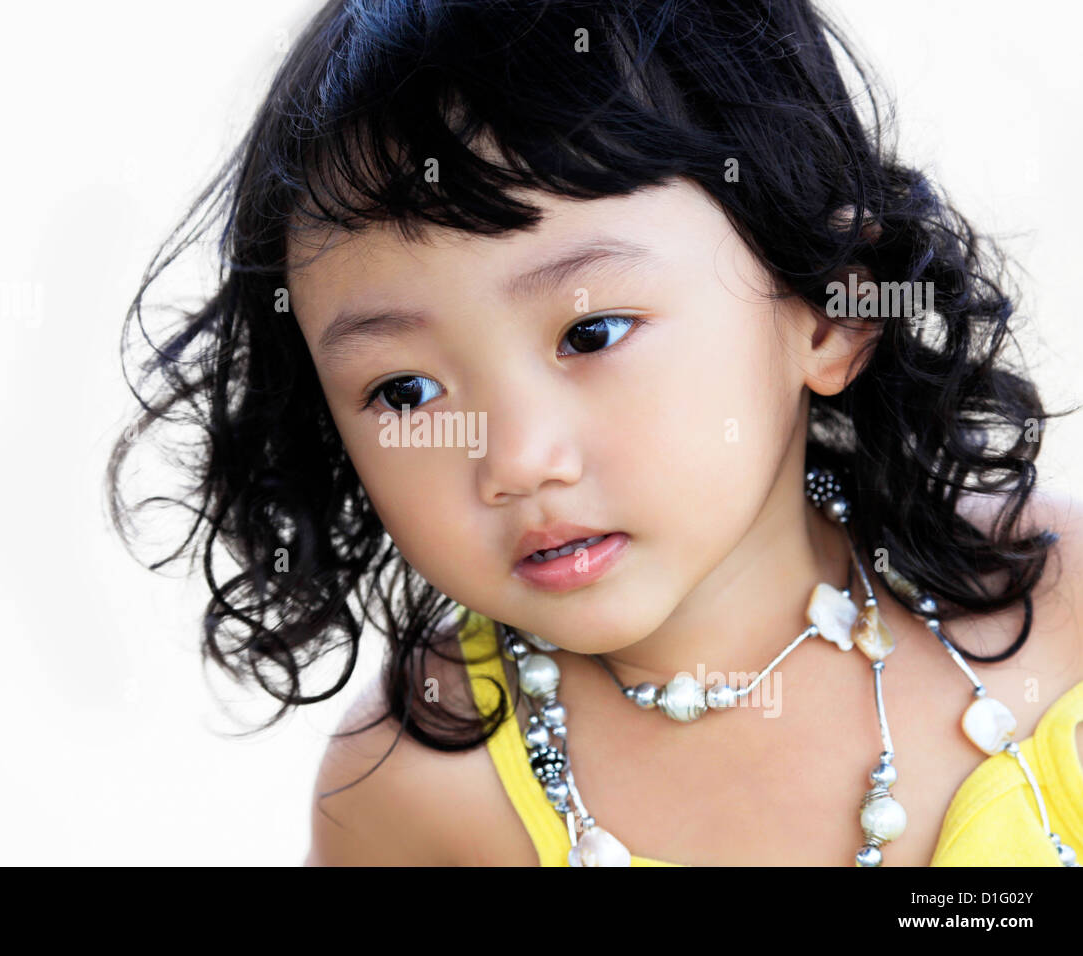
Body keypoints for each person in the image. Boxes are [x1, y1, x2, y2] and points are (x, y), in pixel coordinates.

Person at [106, 0, 1083, 866]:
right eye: (405, 391)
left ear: (828, 312)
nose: (519, 459)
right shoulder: (414, 791)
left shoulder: (1061, 605)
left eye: (592, 332)